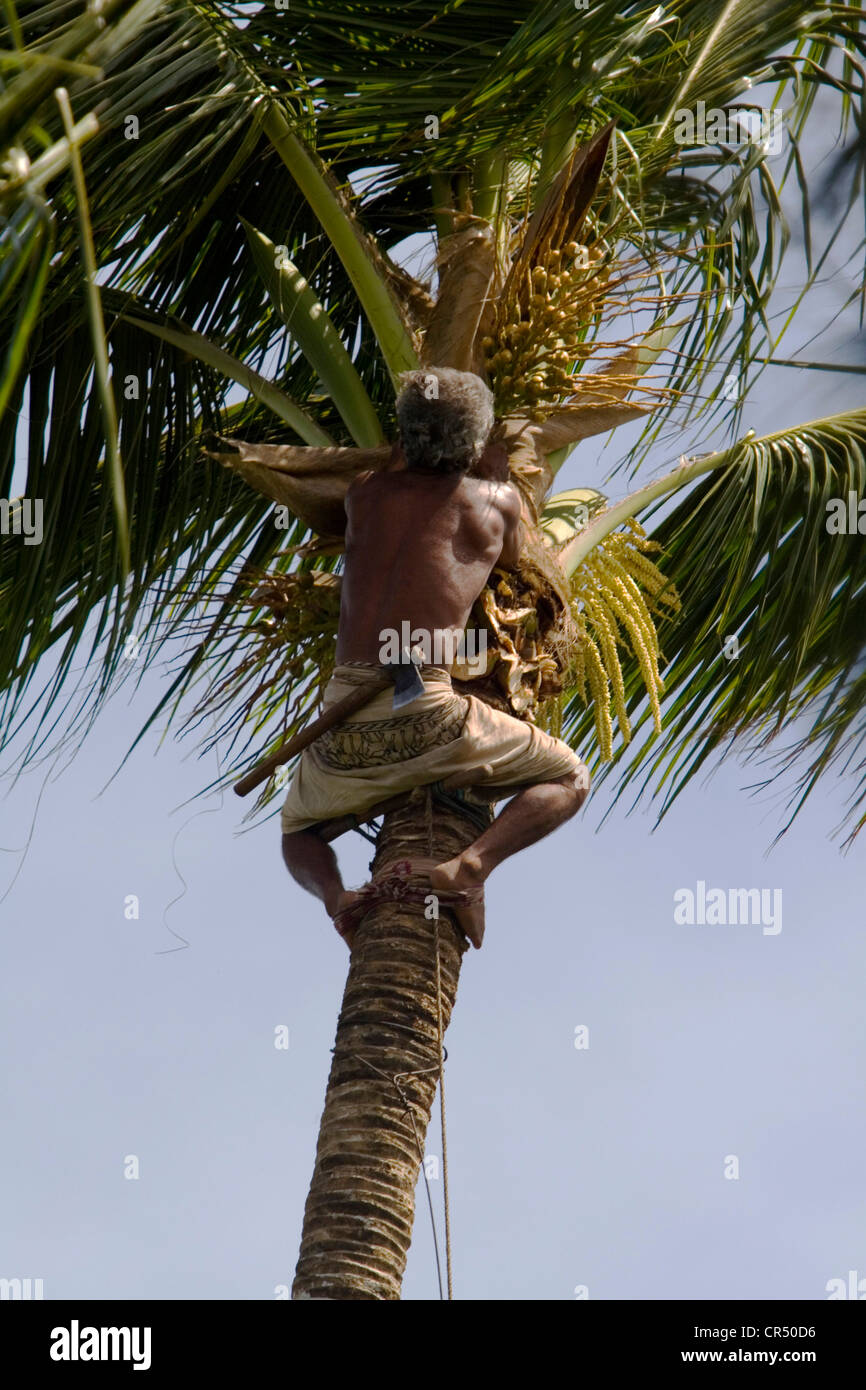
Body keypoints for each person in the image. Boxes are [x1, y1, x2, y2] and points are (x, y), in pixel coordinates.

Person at [280, 367, 589, 949]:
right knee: (570, 777)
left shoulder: (364, 494)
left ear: (403, 436)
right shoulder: (495, 504)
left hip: (342, 720)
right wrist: (500, 477)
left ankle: (337, 900)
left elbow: (397, 477)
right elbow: (519, 561)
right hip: (427, 711)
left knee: (297, 829)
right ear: (475, 446)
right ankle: (470, 868)